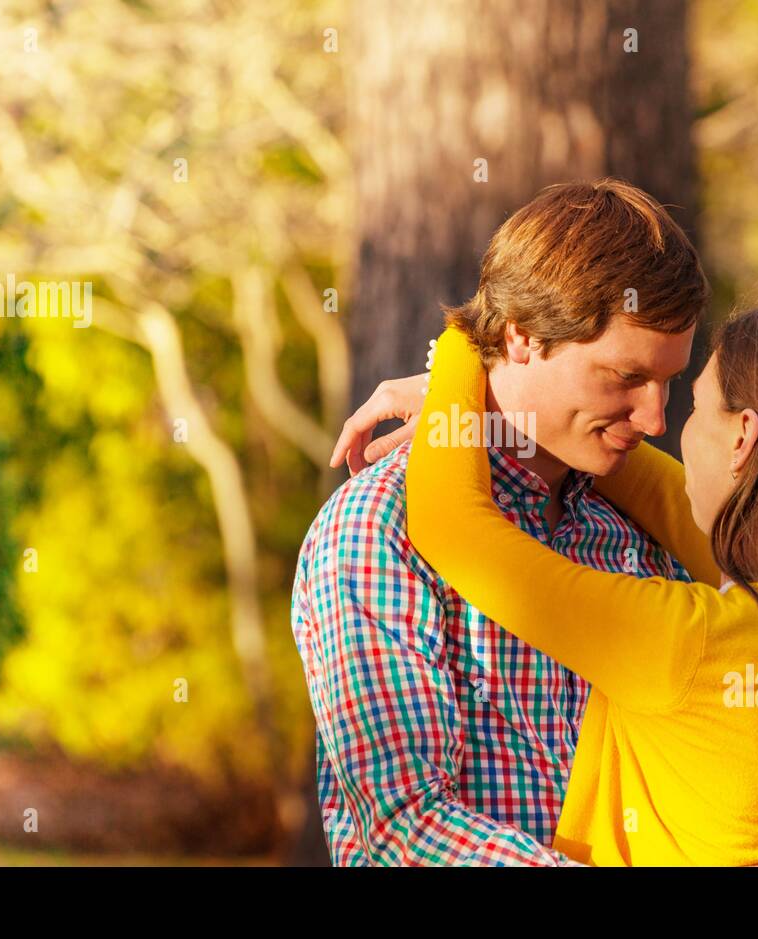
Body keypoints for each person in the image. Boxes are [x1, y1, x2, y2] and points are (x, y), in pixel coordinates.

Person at [350, 304, 758, 865]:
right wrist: (506, 410)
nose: (661, 426)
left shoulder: (695, 639)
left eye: (694, 406)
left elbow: (454, 529)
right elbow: (656, 491)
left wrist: (466, 346)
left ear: (744, 437)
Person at [291, 178, 713, 865]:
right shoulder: (379, 528)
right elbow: (405, 825)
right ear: (520, 336)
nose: (655, 418)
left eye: (668, 382)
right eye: (622, 378)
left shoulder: (644, 531)